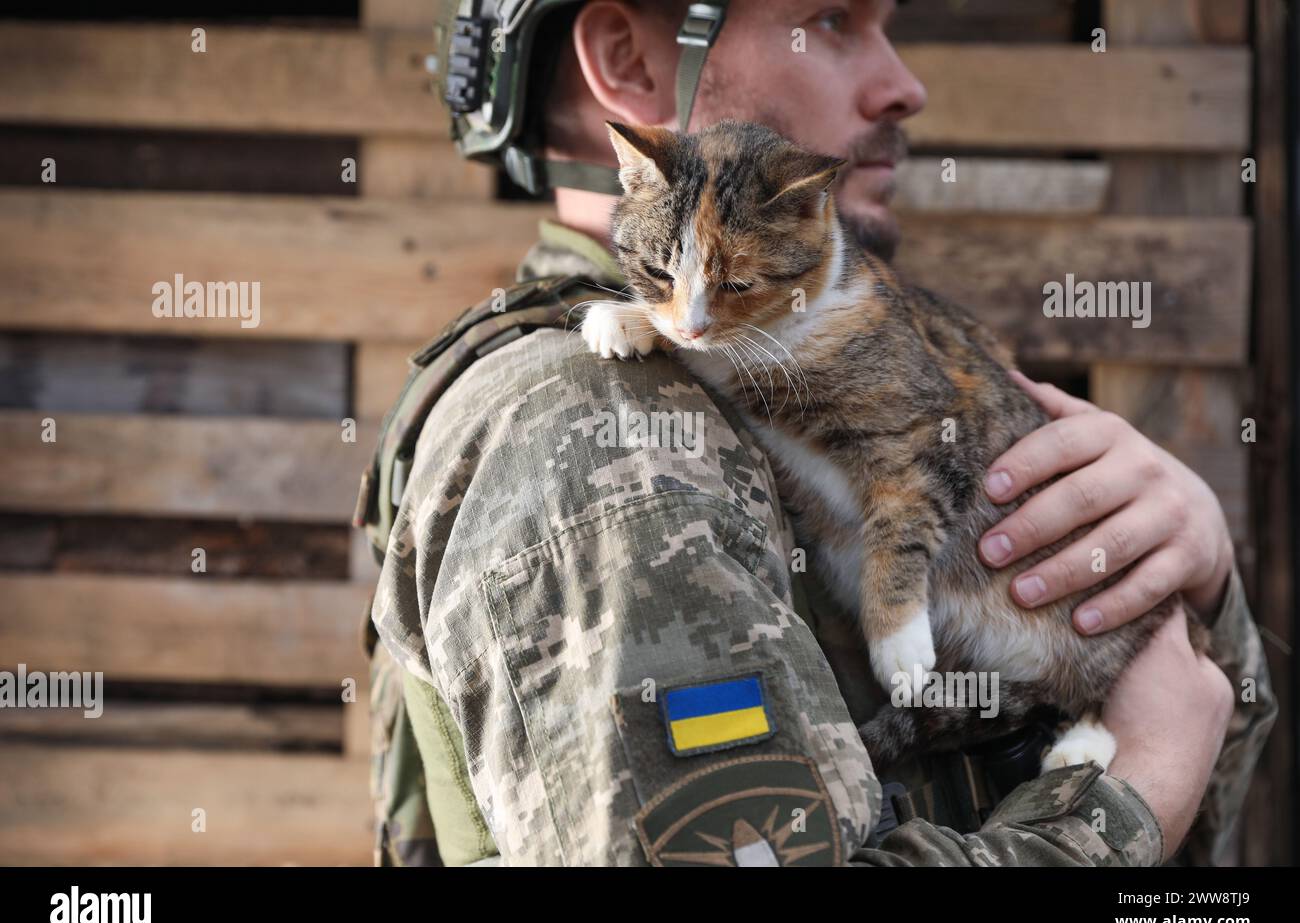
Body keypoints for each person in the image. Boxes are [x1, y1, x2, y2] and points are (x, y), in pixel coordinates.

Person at [361, 0, 1276, 866]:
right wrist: (1134, 798)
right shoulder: (602, 430)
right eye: (830, 21)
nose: (903, 85)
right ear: (629, 61)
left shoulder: (788, 350)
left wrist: (1199, 594)